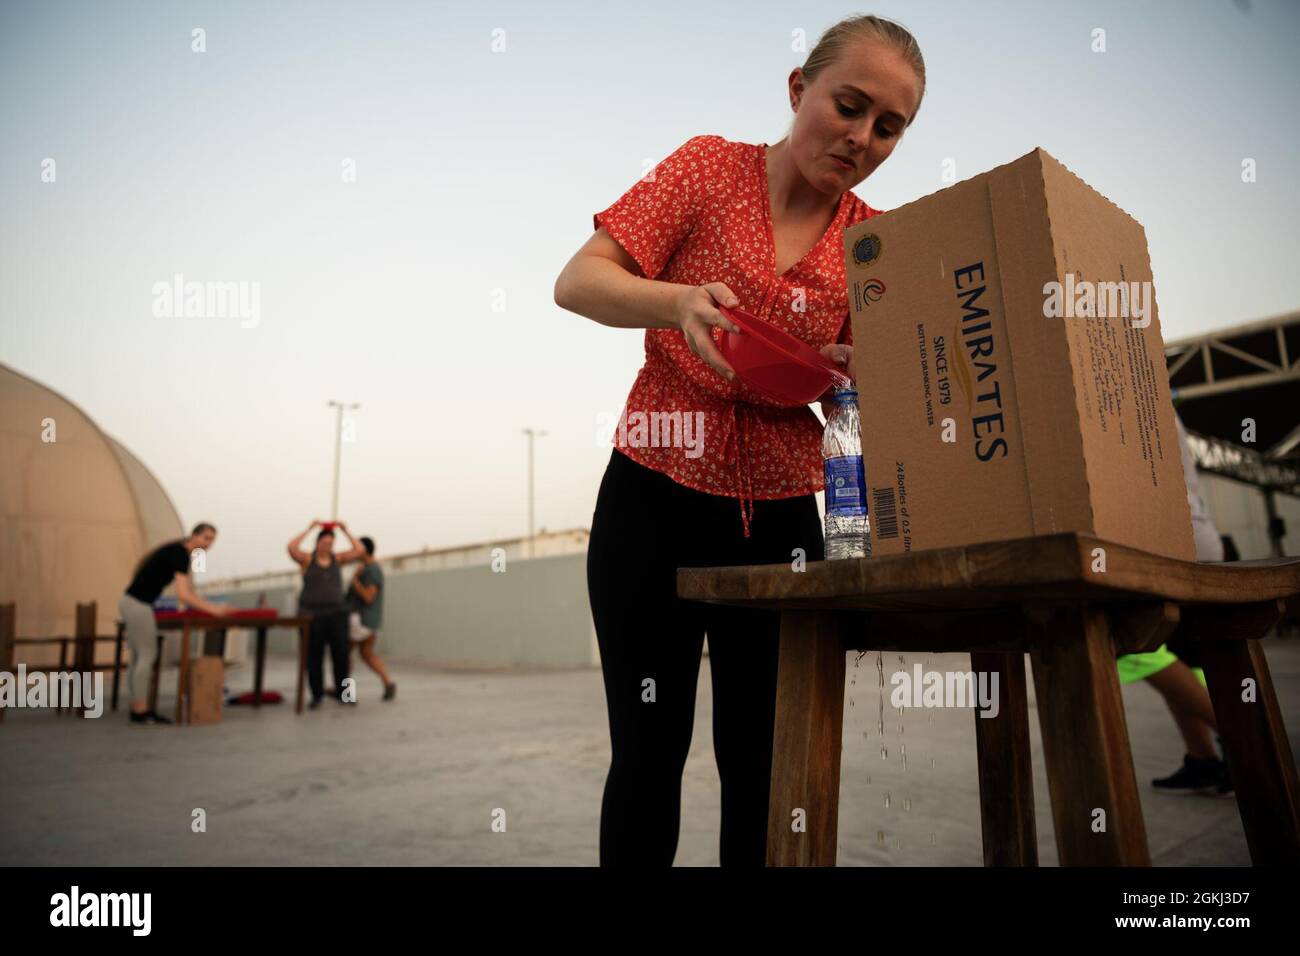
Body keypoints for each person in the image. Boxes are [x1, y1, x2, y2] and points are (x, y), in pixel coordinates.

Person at [553, 15, 925, 864]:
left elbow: (866, 411)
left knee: (760, 765)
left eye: (889, 126)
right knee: (648, 754)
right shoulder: (708, 166)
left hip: (786, 524)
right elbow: (579, 281)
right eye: (849, 105)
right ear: (798, 89)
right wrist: (677, 302)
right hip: (652, 495)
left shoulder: (876, 244)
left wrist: (850, 375)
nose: (861, 137)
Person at [1116, 412, 1231, 793]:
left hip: (1164, 541)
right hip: (1198, 536)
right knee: (1184, 655)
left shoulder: (1116, 389)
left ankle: (1244, 743)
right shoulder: (1157, 397)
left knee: (1130, 644)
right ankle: (1202, 759)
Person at [118, 523, 230, 725]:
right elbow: (184, 595)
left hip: (131, 602)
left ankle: (137, 707)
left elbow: (189, 590)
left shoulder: (179, 552)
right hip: (138, 604)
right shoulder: (180, 554)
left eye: (212, 540)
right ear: (194, 536)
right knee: (146, 655)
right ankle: (140, 711)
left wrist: (204, 604)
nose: (209, 544)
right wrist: (213, 610)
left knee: (138, 657)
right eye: (206, 538)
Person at [288, 520, 366, 708]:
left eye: (331, 543)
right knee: (313, 657)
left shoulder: (338, 559)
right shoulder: (307, 559)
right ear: (317, 542)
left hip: (337, 614)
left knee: (342, 656)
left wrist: (345, 529)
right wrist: (310, 528)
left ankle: (345, 695)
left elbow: (360, 550)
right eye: (324, 542)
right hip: (312, 615)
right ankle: (317, 695)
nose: (327, 545)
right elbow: (291, 547)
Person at [347, 536, 395, 700]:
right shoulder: (368, 568)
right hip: (367, 620)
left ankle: (347, 693)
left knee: (345, 655)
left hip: (361, 621)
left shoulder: (371, 570)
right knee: (367, 653)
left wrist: (354, 581)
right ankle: (388, 682)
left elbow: (368, 597)